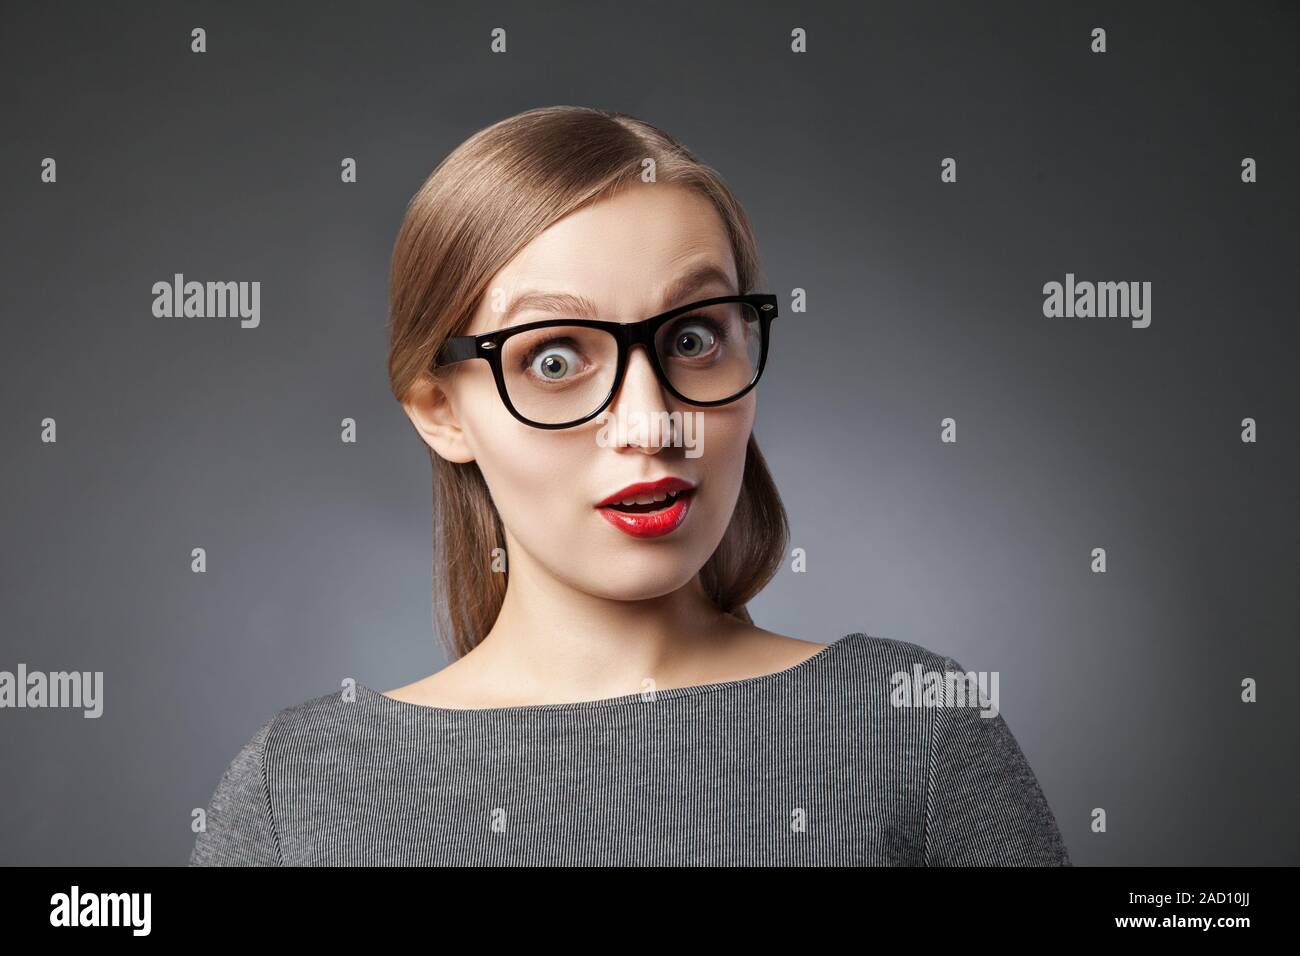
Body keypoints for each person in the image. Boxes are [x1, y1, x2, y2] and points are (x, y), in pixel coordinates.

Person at [189, 105, 1070, 866]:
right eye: (555, 358)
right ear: (440, 410)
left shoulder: (916, 727)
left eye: (692, 339)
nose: (652, 425)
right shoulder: (294, 791)